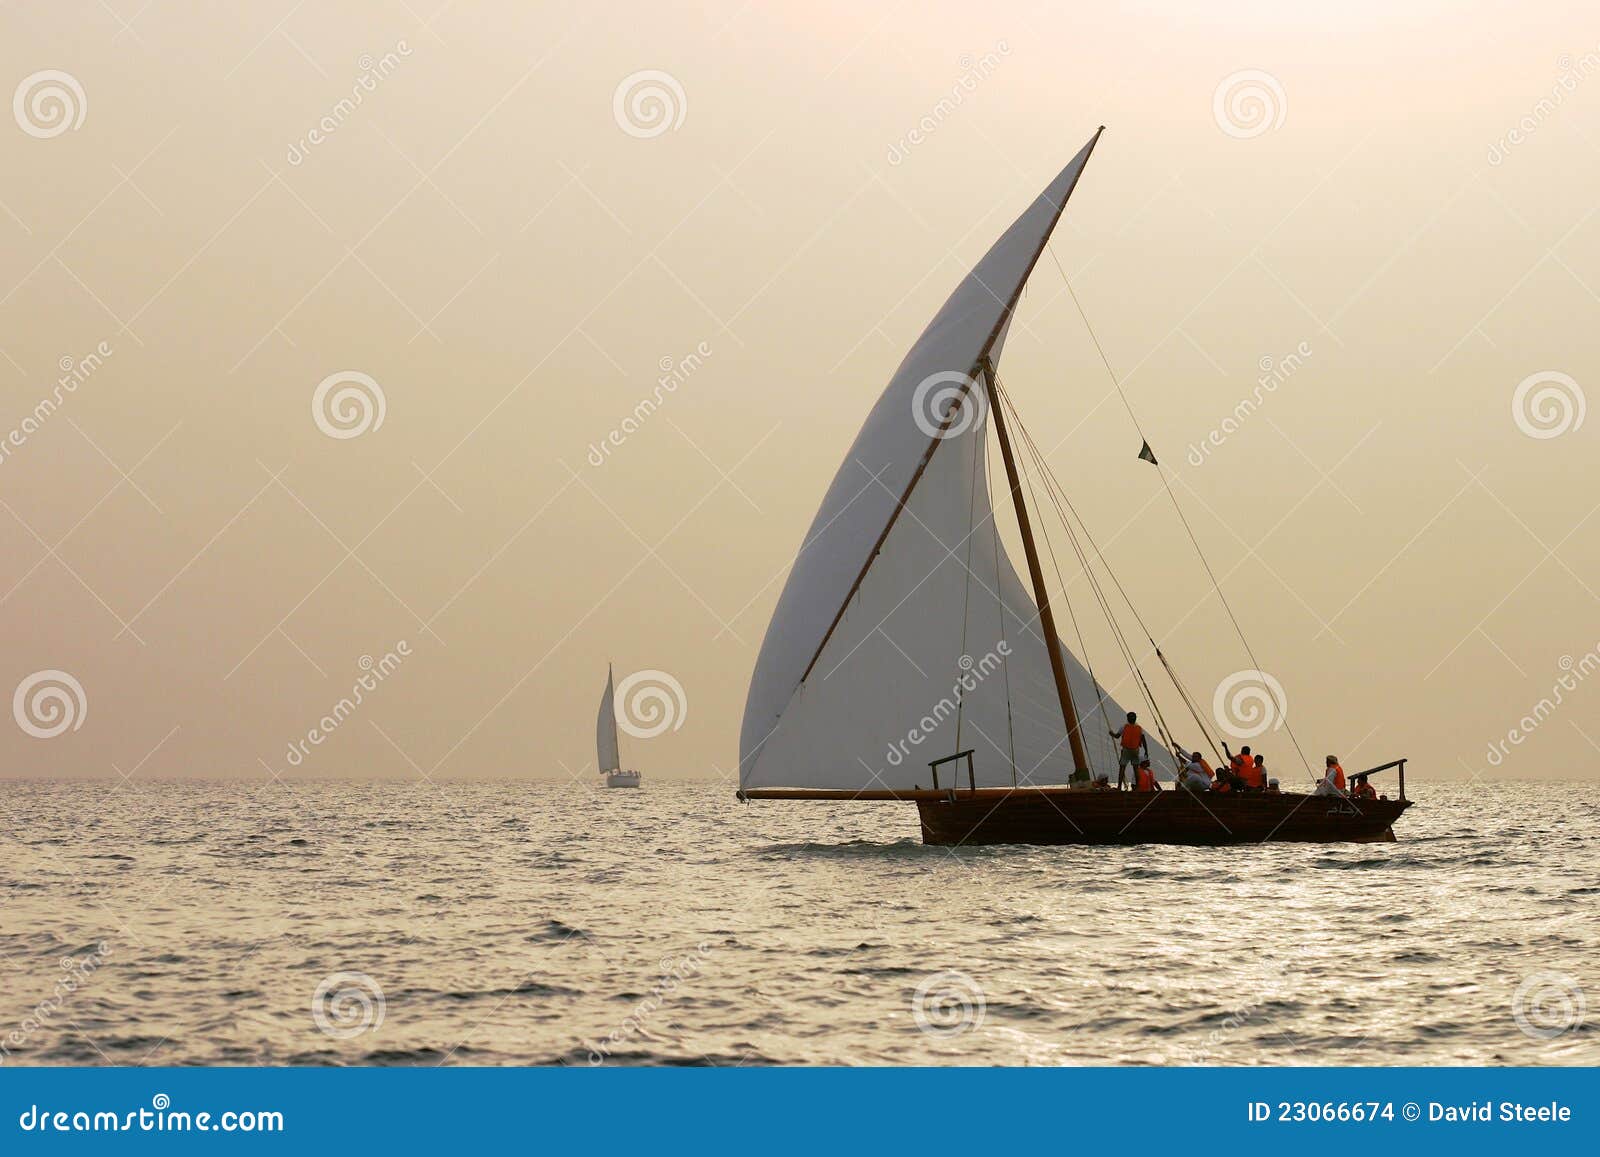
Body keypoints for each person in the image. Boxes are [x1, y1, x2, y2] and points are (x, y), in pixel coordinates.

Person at [1109, 711, 1149, 790]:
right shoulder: (1139, 728)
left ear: (1127, 719)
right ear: (1135, 718)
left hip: (1126, 750)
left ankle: (1119, 786)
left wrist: (1111, 733)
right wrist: (1146, 751)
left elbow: (1117, 736)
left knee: (1122, 768)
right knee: (1136, 769)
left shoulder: (1124, 727)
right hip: (1135, 750)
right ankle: (1137, 787)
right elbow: (1143, 740)